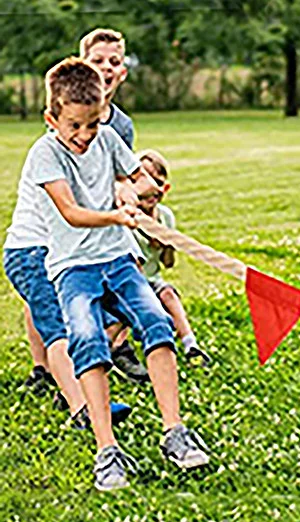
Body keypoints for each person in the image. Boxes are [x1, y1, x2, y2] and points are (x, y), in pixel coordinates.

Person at [24, 57, 210, 491]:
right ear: (52, 118)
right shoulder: (45, 154)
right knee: (87, 339)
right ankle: (107, 450)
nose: (85, 136)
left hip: (119, 260)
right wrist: (117, 215)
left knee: (156, 322)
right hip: (73, 268)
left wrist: (132, 190)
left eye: (92, 124)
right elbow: (69, 212)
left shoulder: (107, 138)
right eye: (75, 126)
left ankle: (175, 433)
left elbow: (131, 177)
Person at [20, 27, 149, 391]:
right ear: (84, 65)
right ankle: (44, 367)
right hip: (53, 218)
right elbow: (64, 190)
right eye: (98, 61)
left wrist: (128, 193)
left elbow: (121, 173)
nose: (106, 68)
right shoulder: (65, 108)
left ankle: (116, 345)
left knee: (128, 264)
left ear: (122, 71)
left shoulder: (119, 125)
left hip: (97, 220)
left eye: (114, 62)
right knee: (45, 290)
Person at [133, 149, 210, 364]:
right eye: (145, 180)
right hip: (130, 281)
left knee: (168, 294)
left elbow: (168, 264)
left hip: (153, 281)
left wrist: (167, 245)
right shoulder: (127, 215)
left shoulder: (165, 216)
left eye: (158, 182)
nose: (152, 188)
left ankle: (190, 345)